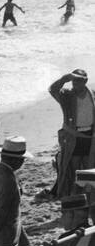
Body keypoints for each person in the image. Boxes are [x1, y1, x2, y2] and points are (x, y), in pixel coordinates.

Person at [47, 71, 94, 199]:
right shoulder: (67, 95)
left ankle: (87, 197)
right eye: (73, 81)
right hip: (73, 138)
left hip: (90, 137)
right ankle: (74, 196)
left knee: (89, 168)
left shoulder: (92, 95)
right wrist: (64, 78)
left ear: (85, 81)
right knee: (73, 168)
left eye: (78, 81)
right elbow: (52, 89)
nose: (75, 84)